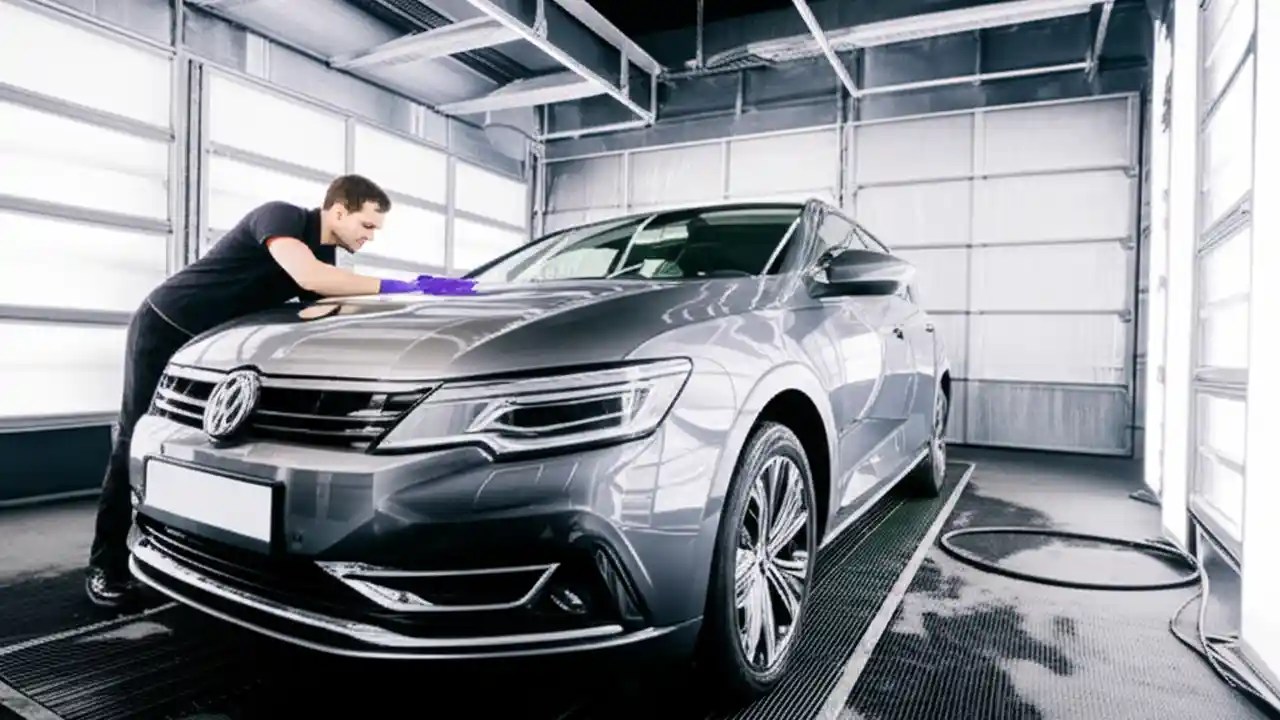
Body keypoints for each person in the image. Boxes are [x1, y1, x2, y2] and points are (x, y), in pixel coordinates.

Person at [84, 173, 469, 608]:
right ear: (338, 211)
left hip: (212, 350)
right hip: (164, 326)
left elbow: (330, 301)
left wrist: (431, 296)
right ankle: (105, 565)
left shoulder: (322, 255)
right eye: (367, 226)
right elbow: (315, 279)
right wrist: (408, 284)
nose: (370, 237)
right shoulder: (281, 217)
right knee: (134, 437)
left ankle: (192, 552)